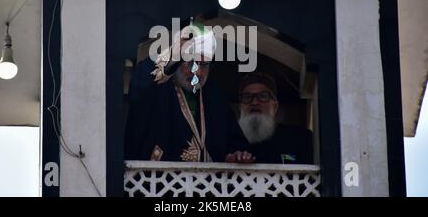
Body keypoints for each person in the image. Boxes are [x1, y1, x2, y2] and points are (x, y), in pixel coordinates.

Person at [124, 23, 254, 163]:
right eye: (191, 62)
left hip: (209, 183)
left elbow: (235, 144)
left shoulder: (216, 98)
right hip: (160, 182)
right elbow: (137, 91)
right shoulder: (158, 86)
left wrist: (236, 155)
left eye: (203, 65)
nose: (197, 72)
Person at [237, 72, 314, 164]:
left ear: (275, 106)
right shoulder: (229, 141)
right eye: (247, 97)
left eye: (263, 96)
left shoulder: (300, 139)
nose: (254, 102)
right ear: (240, 107)